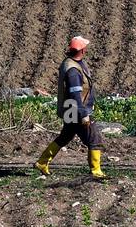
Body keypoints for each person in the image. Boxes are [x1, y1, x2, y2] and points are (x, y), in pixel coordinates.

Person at [35, 35, 106, 179]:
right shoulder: (73, 71)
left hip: (70, 108)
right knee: (94, 139)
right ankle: (96, 171)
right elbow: (75, 95)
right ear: (82, 51)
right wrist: (83, 114)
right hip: (76, 109)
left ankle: (42, 162)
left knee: (65, 136)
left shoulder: (71, 63)